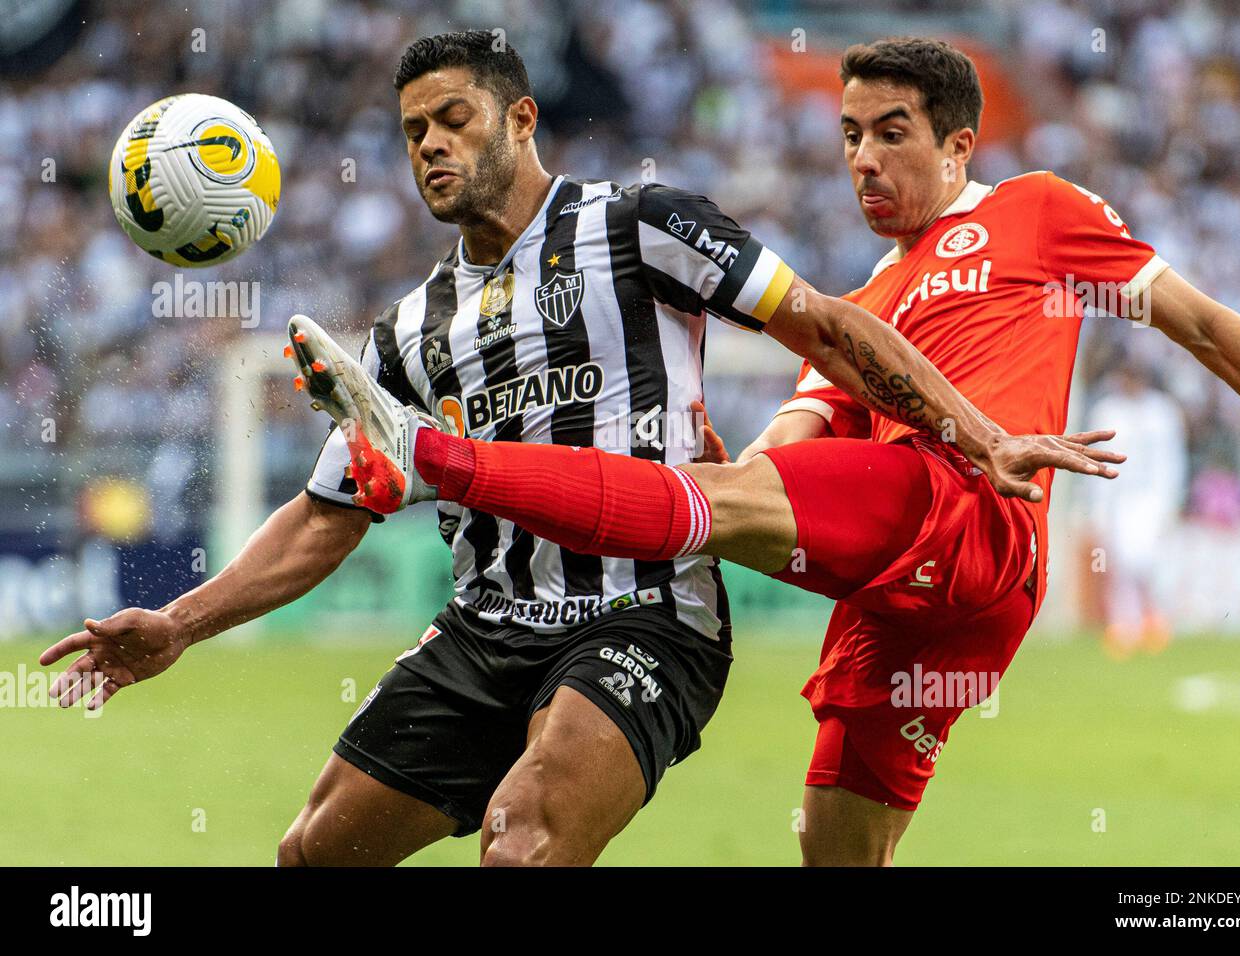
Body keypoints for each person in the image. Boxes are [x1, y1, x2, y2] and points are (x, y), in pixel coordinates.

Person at [38, 31, 1108, 867]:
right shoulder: (411, 330)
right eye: (413, 134)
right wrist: (177, 624)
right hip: (481, 625)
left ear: (520, 116)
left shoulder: (642, 224)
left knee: (525, 834)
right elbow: (328, 513)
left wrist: (976, 435)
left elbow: (826, 326)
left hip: (644, 610)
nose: (431, 148)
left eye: (452, 120)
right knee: (314, 849)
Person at [292, 36, 1240, 866]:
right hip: (910, 604)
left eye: (891, 134)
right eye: (850, 135)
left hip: (970, 509)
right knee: (832, 848)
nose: (863, 159)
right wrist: (741, 452)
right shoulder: (863, 303)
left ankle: (432, 457)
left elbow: (1205, 327)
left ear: (958, 143)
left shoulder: (1035, 209)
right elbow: (800, 425)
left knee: (698, 502)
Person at [1085, 364, 1188, 658]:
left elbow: (1172, 460)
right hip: (1120, 498)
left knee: (1148, 562)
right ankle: (1124, 626)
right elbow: (1096, 461)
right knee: (1121, 563)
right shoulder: (1107, 411)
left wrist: (1171, 501)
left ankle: (1154, 619)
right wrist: (1099, 508)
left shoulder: (1161, 412)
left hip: (1152, 498)